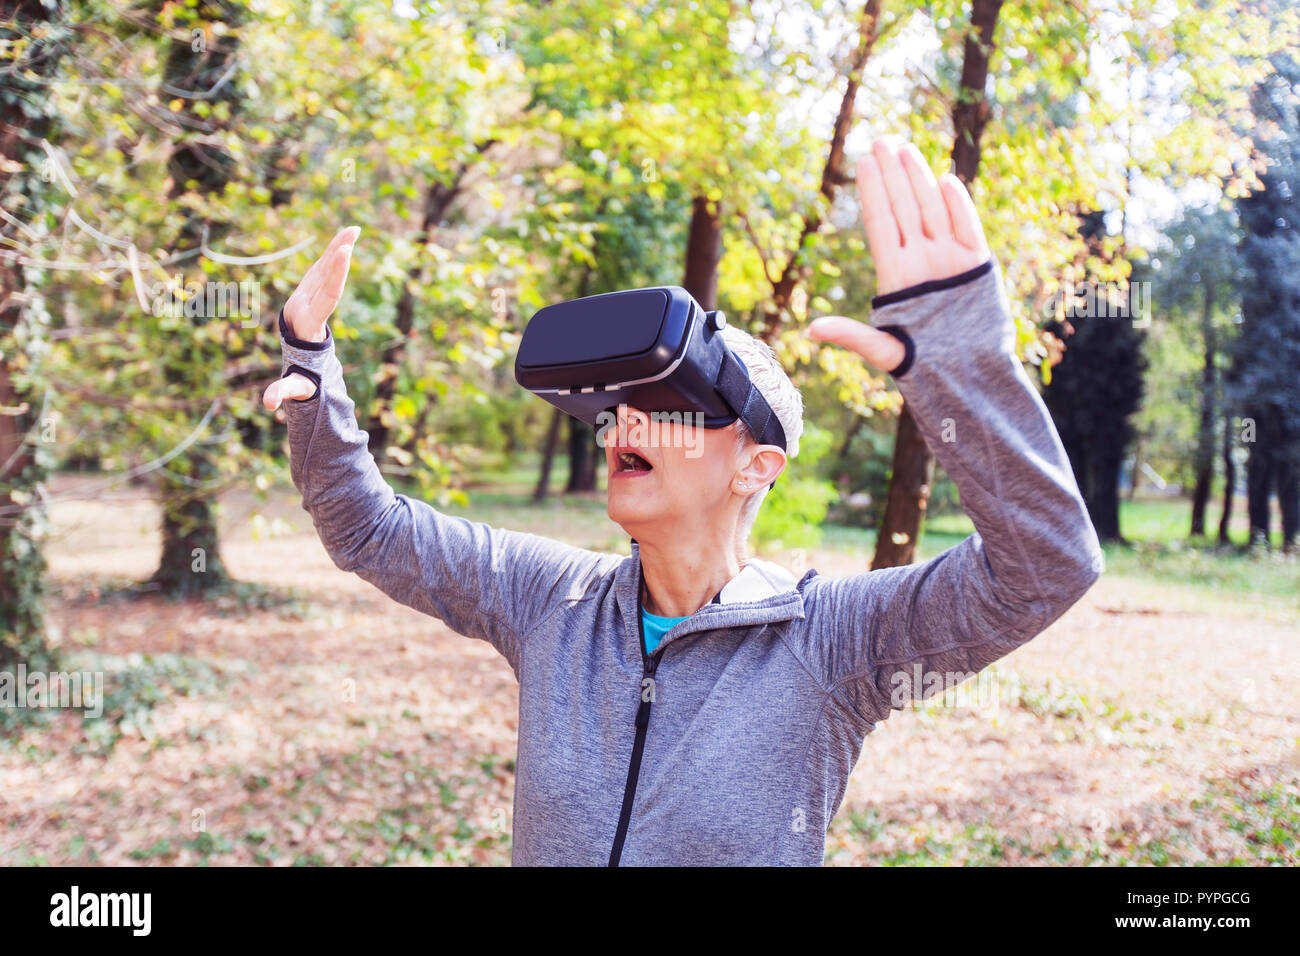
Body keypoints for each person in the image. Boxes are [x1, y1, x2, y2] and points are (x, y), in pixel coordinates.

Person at [262, 135, 1102, 866]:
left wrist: (958, 364)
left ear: (756, 466)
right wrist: (311, 362)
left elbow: (1044, 566)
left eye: (672, 404)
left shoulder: (836, 644)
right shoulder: (550, 602)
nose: (629, 420)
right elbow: (368, 529)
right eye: (620, 404)